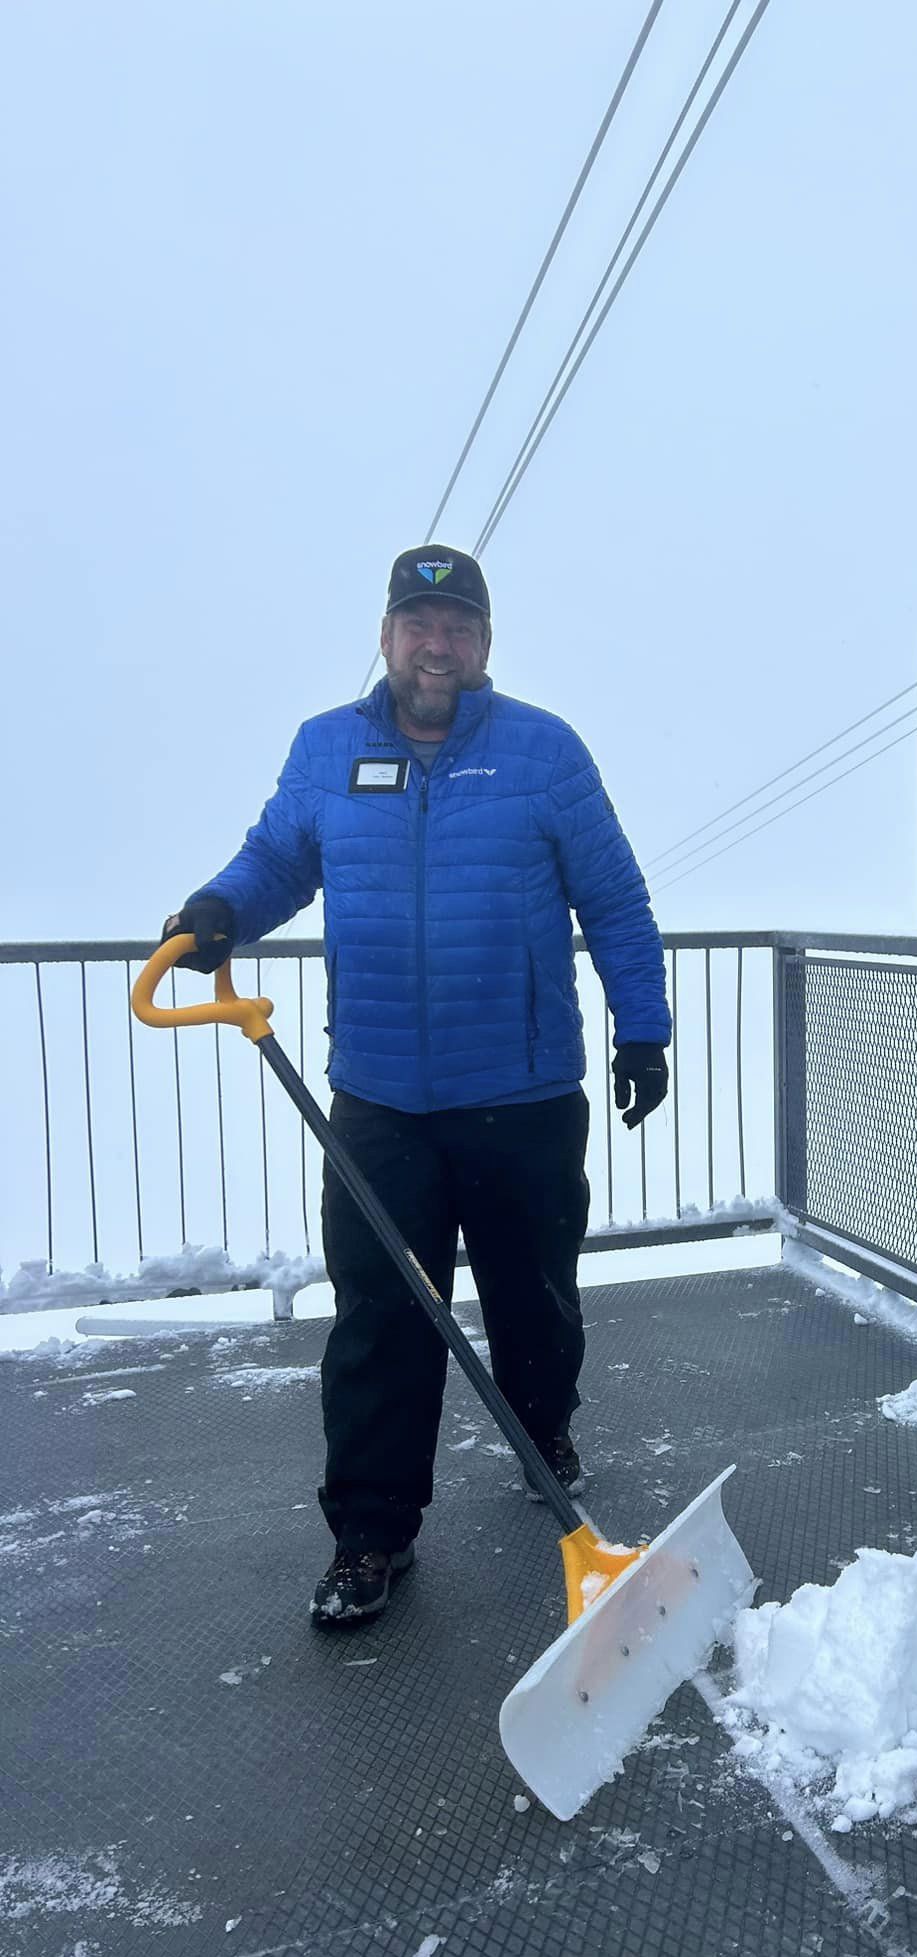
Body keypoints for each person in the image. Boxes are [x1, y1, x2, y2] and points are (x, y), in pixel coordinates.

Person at [162, 544, 670, 1625]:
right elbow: (274, 860)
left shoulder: (543, 752)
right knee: (381, 1319)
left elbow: (615, 899)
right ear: (387, 634)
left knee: (535, 1296)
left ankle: (544, 1429)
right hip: (383, 1099)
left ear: (485, 644)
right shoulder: (327, 749)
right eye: (419, 622)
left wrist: (644, 1027)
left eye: (459, 627)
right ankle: (370, 1535)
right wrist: (216, 909)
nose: (437, 645)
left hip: (524, 1091)